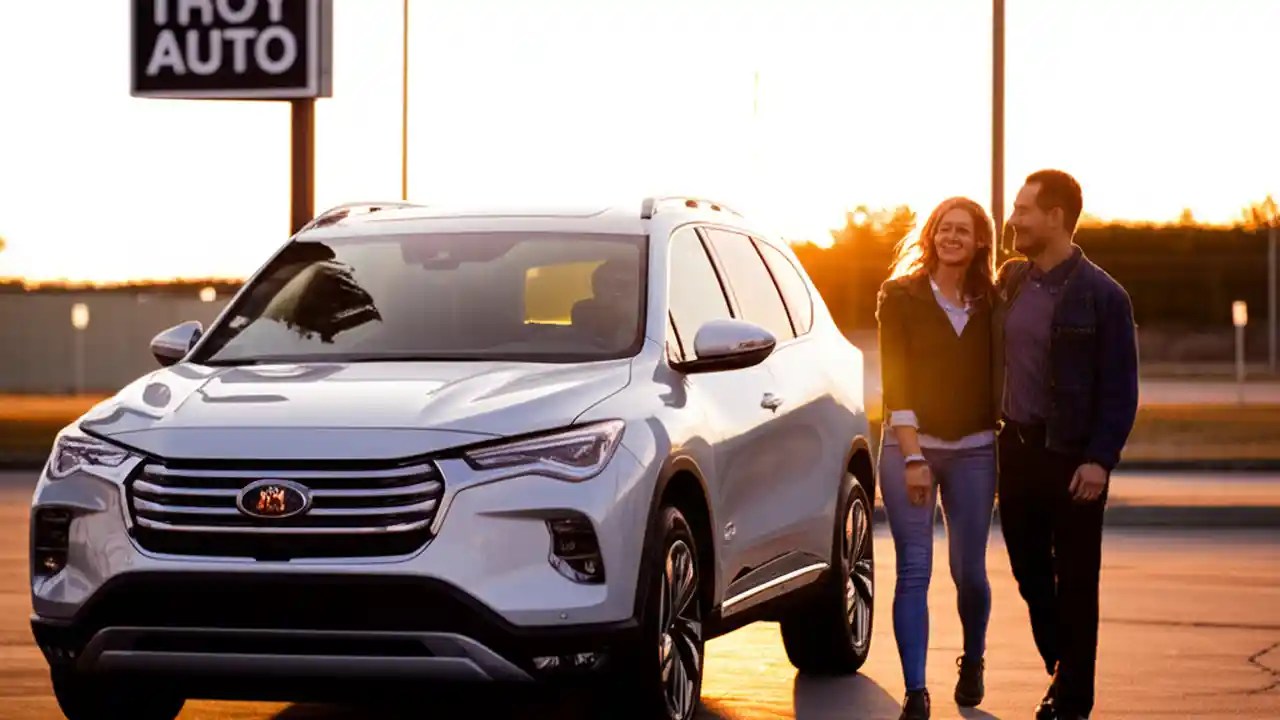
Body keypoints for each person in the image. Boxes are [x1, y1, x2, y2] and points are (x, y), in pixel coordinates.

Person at [993, 169, 1139, 720]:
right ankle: (1064, 666)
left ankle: (1072, 699)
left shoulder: (1104, 296)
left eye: (1023, 211)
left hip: (1074, 459)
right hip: (1018, 452)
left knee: (1077, 581)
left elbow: (1121, 389)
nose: (1013, 220)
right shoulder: (1010, 281)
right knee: (1030, 571)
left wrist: (1100, 460)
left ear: (1055, 217)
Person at [876, 197, 1000, 720]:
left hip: (975, 449)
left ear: (978, 244)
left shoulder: (994, 300)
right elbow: (895, 379)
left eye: (963, 231)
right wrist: (911, 456)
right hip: (911, 448)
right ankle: (916, 693)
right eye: (944, 228)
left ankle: (973, 659)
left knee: (969, 572)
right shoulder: (900, 295)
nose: (952, 237)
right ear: (931, 235)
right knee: (914, 572)